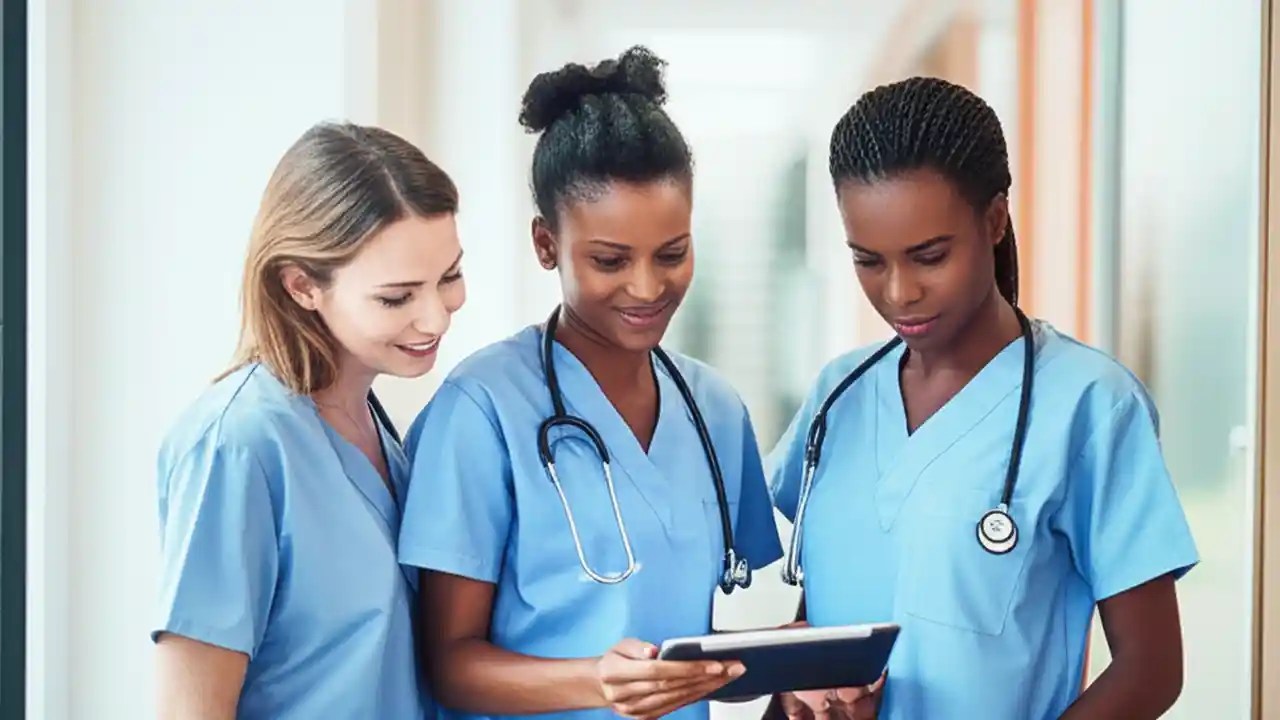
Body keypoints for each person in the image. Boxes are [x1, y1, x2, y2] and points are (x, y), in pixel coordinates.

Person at [767, 76, 1199, 720]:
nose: (898, 293)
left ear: (994, 220)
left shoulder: (1090, 407)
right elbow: (820, 625)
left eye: (929, 256)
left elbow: (1151, 669)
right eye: (868, 260)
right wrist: (803, 693)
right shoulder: (839, 396)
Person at [396, 46, 783, 720]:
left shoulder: (715, 410)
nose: (647, 287)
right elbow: (449, 664)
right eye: (609, 260)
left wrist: (794, 660)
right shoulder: (482, 410)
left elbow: (710, 639)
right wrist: (595, 682)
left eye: (673, 253)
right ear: (546, 244)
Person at [152, 122, 465, 719]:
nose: (436, 319)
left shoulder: (378, 432)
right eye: (397, 297)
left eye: (448, 277)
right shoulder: (237, 446)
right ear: (301, 286)